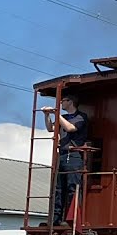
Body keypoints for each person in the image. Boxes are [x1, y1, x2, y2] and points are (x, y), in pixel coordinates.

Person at [42, 93, 89, 225]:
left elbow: (70, 128)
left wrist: (56, 114)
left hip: (74, 155)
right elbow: (50, 129)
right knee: (58, 188)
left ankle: (71, 219)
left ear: (71, 102)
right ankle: (55, 220)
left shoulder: (81, 117)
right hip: (62, 154)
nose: (61, 103)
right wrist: (47, 116)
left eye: (63, 101)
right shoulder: (64, 117)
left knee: (72, 187)